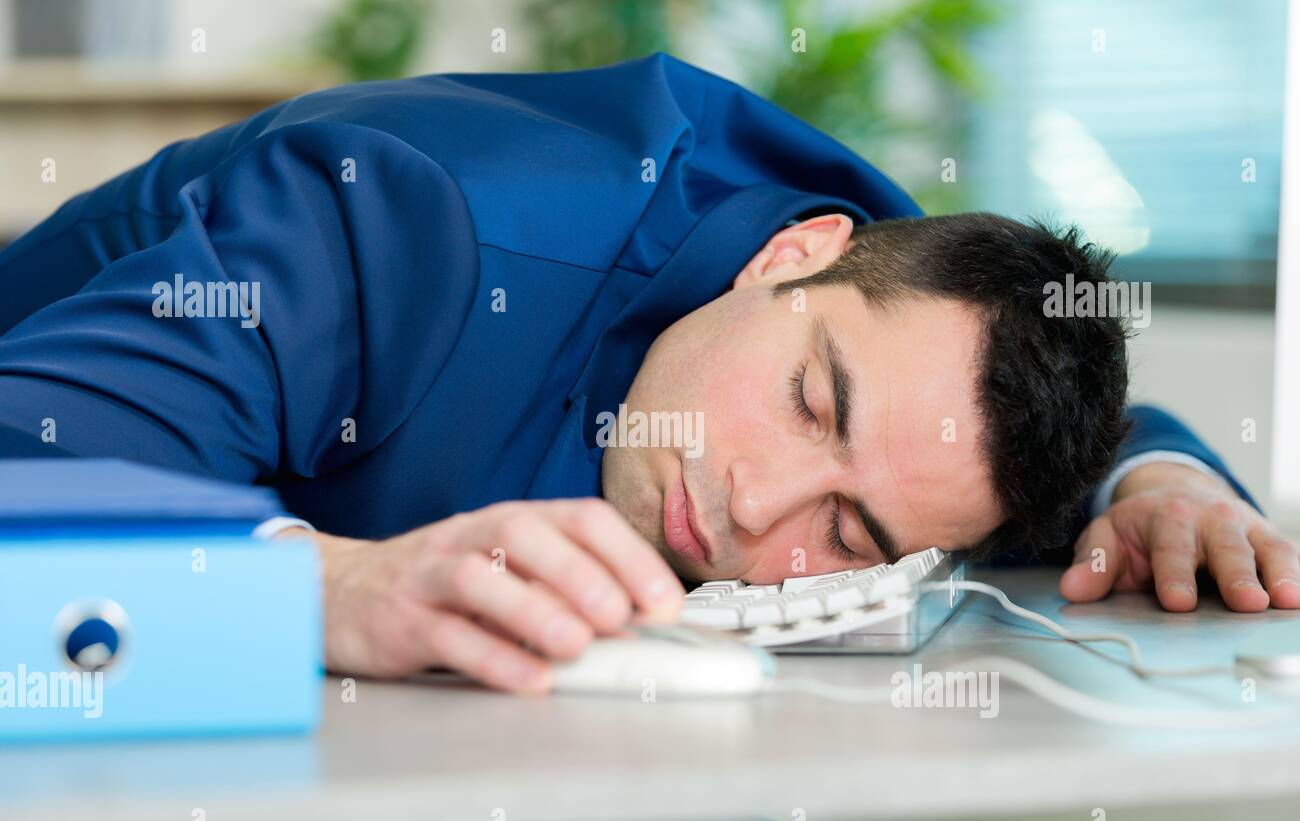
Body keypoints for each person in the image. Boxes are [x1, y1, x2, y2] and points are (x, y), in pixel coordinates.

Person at [0, 54, 1292, 698]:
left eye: (848, 534)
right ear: (791, 254)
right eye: (807, 404)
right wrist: (330, 584)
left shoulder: (896, 324)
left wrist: (1158, 479)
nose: (754, 509)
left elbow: (1034, 444)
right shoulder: (408, 222)